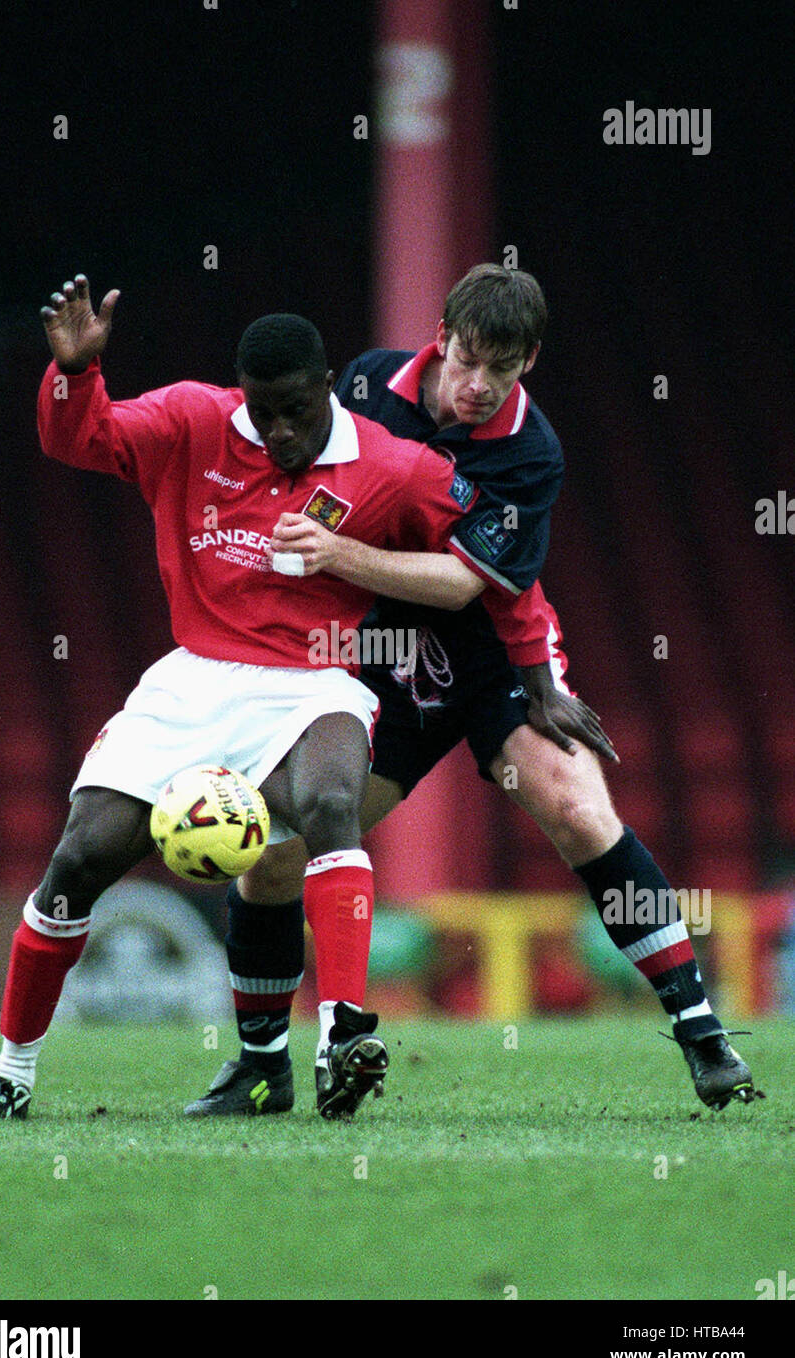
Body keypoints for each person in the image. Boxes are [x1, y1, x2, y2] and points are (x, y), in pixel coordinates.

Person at [205, 264, 758, 1119]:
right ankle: (259, 1067)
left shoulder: (531, 451)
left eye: (500, 370)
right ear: (441, 336)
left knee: (578, 808)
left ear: (528, 361)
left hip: (494, 663)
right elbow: (319, 485)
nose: (477, 386)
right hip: (379, 659)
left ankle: (702, 1032)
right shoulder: (359, 384)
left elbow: (467, 587)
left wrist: (338, 555)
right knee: (277, 850)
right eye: (467, 360)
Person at [0, 273, 495, 1123]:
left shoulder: (389, 464)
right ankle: (10, 1070)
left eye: (295, 412)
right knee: (82, 855)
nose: (278, 430)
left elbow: (481, 553)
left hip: (314, 679)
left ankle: (343, 1030)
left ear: (325, 388)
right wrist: (77, 375)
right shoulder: (192, 420)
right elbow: (76, 439)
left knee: (328, 801)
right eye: (263, 411)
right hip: (193, 677)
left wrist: (529, 665)